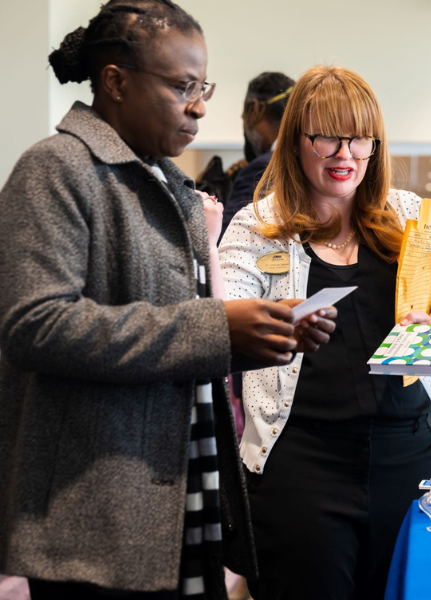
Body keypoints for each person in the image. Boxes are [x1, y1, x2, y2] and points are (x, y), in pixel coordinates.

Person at [0, 3, 335, 599]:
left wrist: (258, 336)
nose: (200, 105)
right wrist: (216, 331)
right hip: (97, 511)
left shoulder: (166, 183)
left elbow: (178, 338)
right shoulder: (55, 170)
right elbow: (36, 325)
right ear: (116, 82)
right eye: (182, 87)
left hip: (181, 493)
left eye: (202, 87)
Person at [218, 65, 431, 600]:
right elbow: (224, 315)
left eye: (360, 138)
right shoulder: (257, 225)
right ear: (295, 141)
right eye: (327, 137)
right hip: (301, 462)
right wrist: (280, 321)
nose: (345, 153)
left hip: (410, 454)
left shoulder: (405, 213)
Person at [220, 71, 295, 242]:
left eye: (243, 118)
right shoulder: (311, 162)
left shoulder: (262, 167)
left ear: (254, 110)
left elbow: (225, 242)